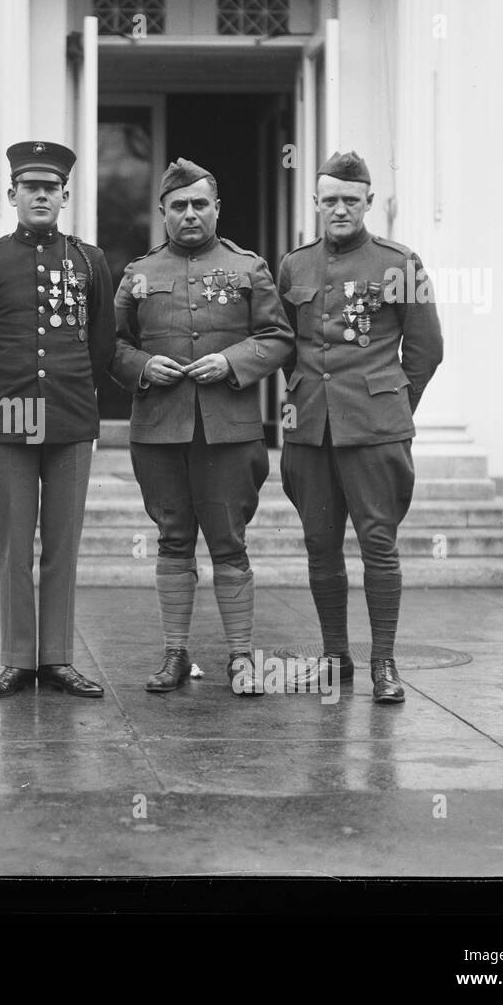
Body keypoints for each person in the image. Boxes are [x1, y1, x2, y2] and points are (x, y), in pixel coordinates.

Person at [111, 158, 294, 697]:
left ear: (217, 208)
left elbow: (279, 336)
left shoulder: (248, 268)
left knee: (230, 544)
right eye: (178, 206)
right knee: (172, 540)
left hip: (229, 432)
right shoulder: (138, 274)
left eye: (199, 204)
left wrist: (233, 362)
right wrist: (142, 366)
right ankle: (174, 653)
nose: (189, 214)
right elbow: (112, 346)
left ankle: (241, 658)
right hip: (160, 432)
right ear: (163, 212)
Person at [277, 150, 444, 704]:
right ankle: (334, 658)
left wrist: (392, 403)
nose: (340, 208)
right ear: (317, 204)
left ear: (369, 201)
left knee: (379, 545)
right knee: (320, 546)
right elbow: (285, 347)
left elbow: (426, 349)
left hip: (375, 432)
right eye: (330, 200)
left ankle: (385, 664)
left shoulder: (401, 263)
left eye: (351, 199)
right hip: (309, 433)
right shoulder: (294, 265)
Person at [0, 141, 116, 699]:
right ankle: (18, 659)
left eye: (50, 189)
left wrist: (78, 387)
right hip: (8, 408)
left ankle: (59, 658)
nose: (40, 196)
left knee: (63, 544)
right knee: (14, 543)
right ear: (12, 195)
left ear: (65, 196)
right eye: (30, 187)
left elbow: (102, 338)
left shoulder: (90, 260)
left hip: (71, 413)